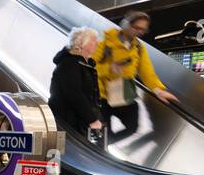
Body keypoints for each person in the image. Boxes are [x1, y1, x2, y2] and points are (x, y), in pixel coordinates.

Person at [94, 11, 178, 142]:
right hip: (101, 95)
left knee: (132, 126)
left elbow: (147, 71)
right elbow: (89, 65)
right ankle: (101, 149)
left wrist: (158, 90)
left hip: (120, 93)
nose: (140, 32)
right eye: (137, 28)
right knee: (104, 132)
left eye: (143, 29)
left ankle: (105, 145)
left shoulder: (138, 47)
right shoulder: (106, 42)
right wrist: (109, 68)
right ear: (126, 25)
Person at [49, 27, 104, 140]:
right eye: (93, 40)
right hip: (67, 122)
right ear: (81, 44)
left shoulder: (83, 64)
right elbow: (74, 94)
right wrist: (92, 119)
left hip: (77, 120)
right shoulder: (69, 64)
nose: (97, 43)